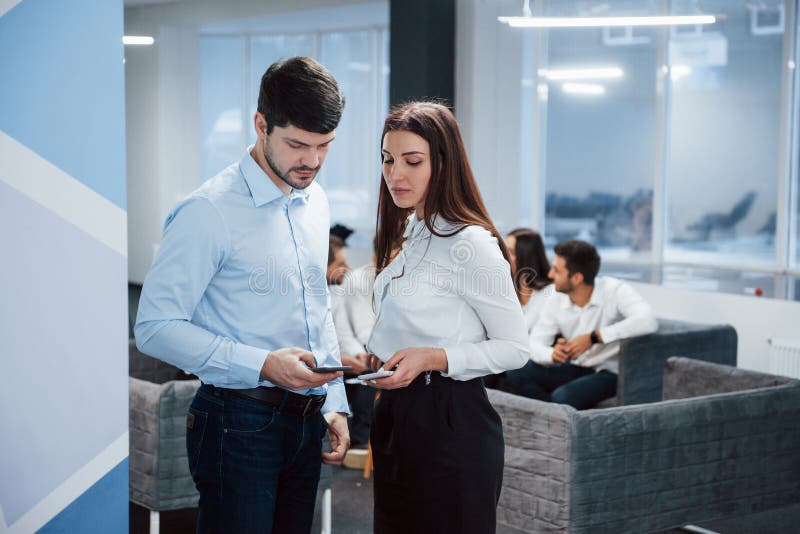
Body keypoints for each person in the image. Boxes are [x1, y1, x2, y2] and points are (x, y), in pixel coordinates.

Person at [134, 56, 350, 534]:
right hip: (236, 420)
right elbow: (153, 327)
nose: (311, 161)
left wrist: (333, 398)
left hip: (306, 416)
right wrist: (262, 363)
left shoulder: (316, 200)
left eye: (324, 146)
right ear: (261, 125)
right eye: (297, 144)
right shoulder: (207, 211)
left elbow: (317, 309)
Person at [365, 101, 530, 533]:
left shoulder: (471, 243)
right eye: (387, 159)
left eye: (412, 161)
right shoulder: (415, 230)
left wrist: (433, 357)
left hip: (451, 421)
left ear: (443, 163)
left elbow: (515, 348)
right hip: (398, 414)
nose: (394, 174)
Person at [504, 239, 657, 409]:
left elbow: (647, 320)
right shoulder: (556, 298)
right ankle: (555, 419)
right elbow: (535, 342)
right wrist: (553, 354)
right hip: (577, 366)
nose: (550, 275)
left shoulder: (615, 290)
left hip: (607, 371)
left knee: (562, 396)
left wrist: (594, 337)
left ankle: (556, 416)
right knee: (515, 373)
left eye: (557, 270)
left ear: (577, 278)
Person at [505, 227, 554, 333]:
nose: (504, 256)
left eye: (511, 252)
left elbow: (520, 329)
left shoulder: (548, 292)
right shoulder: (506, 286)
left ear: (527, 257)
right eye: (504, 250)